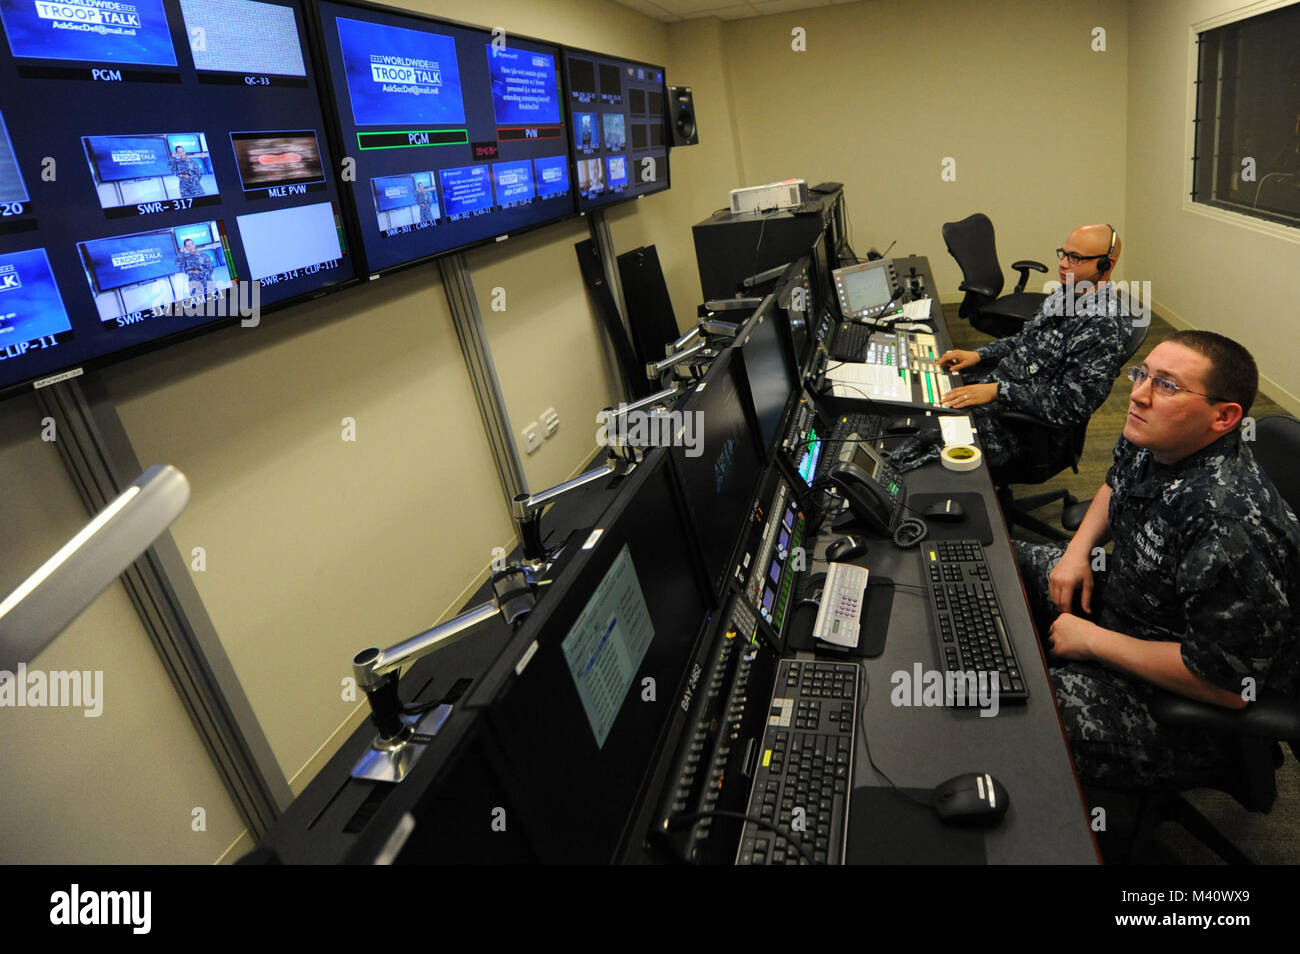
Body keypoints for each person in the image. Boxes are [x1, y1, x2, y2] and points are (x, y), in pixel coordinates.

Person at [1015, 331, 1300, 789]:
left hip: (1182, 707)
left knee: (1011, 717)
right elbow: (1115, 483)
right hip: (1132, 611)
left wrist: (1091, 641)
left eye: (1167, 385)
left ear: (1224, 417)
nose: (1139, 394)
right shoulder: (1158, 435)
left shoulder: (1227, 525)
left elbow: (1226, 685)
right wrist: (1075, 552)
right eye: (1142, 374)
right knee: (999, 565)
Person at [914, 224, 1133, 471]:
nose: (1063, 264)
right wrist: (978, 354)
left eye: (1076, 258)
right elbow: (1026, 340)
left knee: (931, 450)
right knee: (923, 398)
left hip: (1030, 430)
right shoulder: (1066, 292)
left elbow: (1071, 405)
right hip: (1005, 389)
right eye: (1064, 253)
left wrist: (998, 391)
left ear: (1106, 265)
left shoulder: (1105, 324)